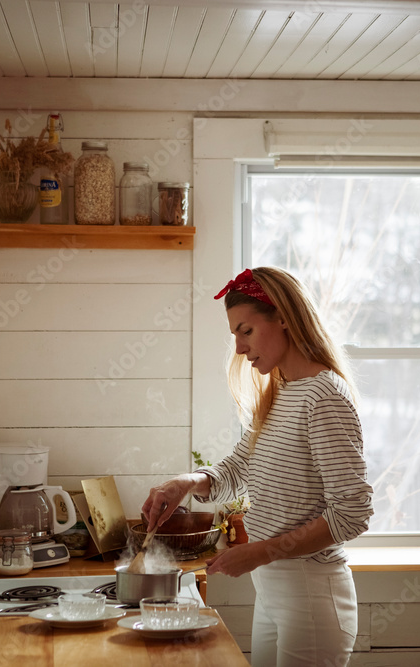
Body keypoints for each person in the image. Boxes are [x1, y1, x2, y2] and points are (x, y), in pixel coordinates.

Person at [141, 266, 374, 667]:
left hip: (312, 592)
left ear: (283, 316)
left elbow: (353, 512)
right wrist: (187, 482)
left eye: (245, 331)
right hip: (272, 588)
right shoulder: (280, 391)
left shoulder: (324, 397)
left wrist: (260, 552)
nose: (239, 348)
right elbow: (241, 466)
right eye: (235, 334)